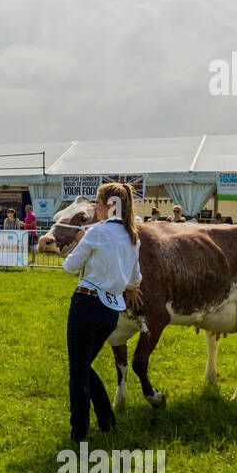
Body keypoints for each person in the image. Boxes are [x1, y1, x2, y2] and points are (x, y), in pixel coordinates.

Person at [60, 182, 141, 442]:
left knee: (78, 371)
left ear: (108, 205)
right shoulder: (132, 236)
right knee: (83, 365)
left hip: (86, 303)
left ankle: (79, 432)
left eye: (97, 201)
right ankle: (107, 421)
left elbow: (70, 266)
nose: (95, 207)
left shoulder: (96, 233)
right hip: (111, 310)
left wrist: (78, 241)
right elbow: (135, 278)